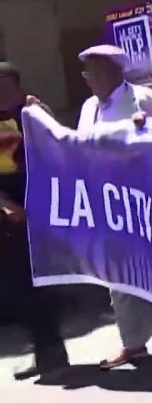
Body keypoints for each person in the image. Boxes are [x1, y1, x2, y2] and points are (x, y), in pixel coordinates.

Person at [76, 45, 152, 370]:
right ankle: (133, 343)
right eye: (86, 73)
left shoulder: (144, 100)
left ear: (116, 71)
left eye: (95, 72)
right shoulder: (89, 108)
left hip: (147, 200)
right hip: (109, 204)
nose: (89, 80)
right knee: (118, 275)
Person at [0, 62, 68, 380]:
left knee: (41, 284)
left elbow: (61, 146)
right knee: (20, 287)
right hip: (8, 211)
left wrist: (43, 113)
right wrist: (6, 205)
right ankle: (44, 352)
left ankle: (52, 355)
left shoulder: (32, 112)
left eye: (4, 83)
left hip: (38, 206)